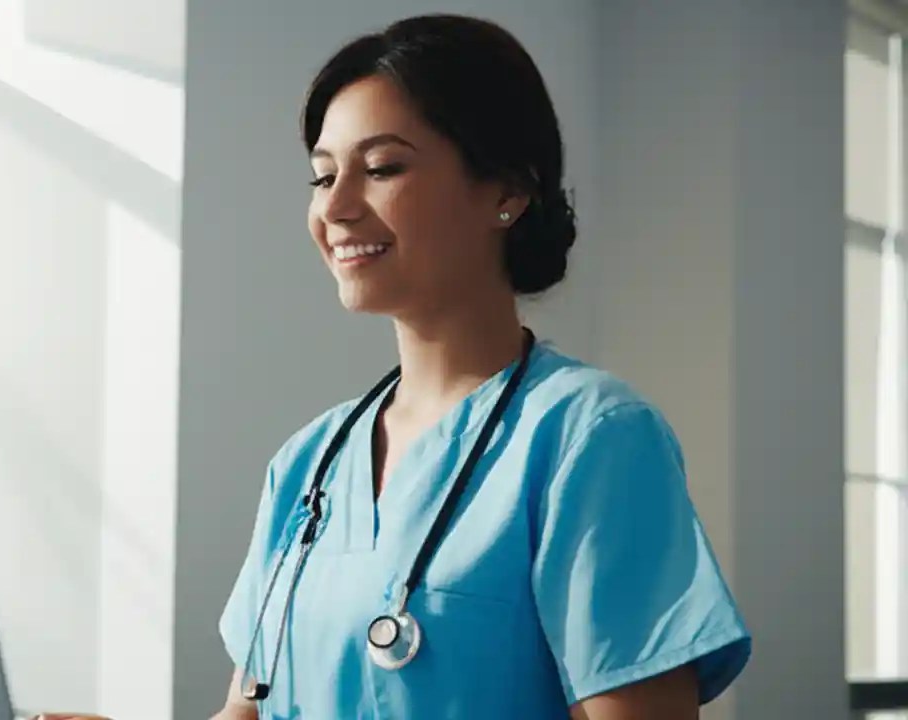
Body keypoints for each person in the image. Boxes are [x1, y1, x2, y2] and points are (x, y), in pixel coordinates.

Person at [211, 14, 751, 720]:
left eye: (381, 168)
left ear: (506, 191)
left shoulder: (589, 439)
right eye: (322, 176)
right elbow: (248, 710)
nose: (336, 208)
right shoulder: (307, 464)